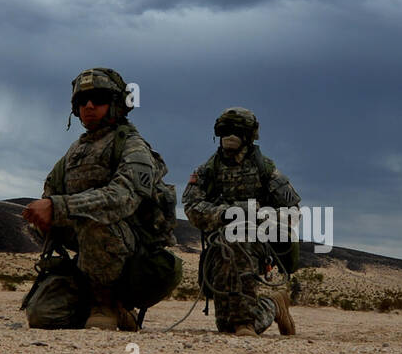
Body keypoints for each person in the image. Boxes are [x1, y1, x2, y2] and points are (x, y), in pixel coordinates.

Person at [21, 68, 181, 330]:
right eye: (82, 101)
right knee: (42, 316)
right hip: (87, 261)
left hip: (134, 259)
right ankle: (113, 310)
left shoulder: (132, 146)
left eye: (98, 98)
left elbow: (121, 198)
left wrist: (61, 208)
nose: (89, 106)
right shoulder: (74, 154)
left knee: (94, 217)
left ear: (117, 103)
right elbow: (50, 197)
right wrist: (44, 220)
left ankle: (106, 303)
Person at [182, 107, 299, 337]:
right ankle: (274, 304)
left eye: (236, 130)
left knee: (241, 326)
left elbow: (292, 212)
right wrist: (227, 213)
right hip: (219, 245)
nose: (230, 135)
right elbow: (192, 207)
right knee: (225, 327)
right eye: (225, 130)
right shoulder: (207, 171)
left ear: (249, 135)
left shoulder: (266, 170)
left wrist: (256, 216)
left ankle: (246, 321)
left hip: (257, 243)